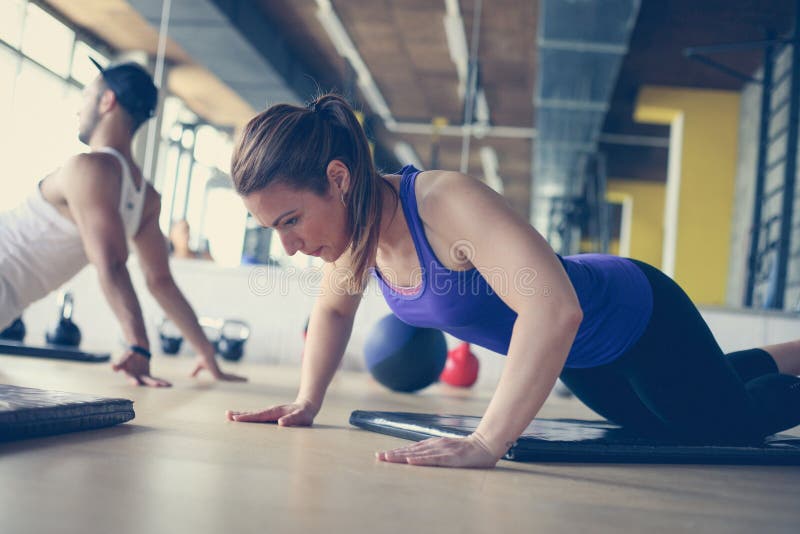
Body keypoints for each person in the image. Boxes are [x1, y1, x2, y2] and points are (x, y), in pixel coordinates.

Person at [224, 93, 800, 468]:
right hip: (582, 358)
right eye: (275, 228)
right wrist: (306, 400)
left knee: (722, 428)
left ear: (338, 177)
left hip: (637, 318)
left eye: (291, 220)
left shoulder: (444, 204)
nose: (290, 245)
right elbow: (332, 313)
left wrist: (486, 442)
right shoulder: (356, 241)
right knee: (660, 420)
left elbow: (554, 311)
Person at [0, 59, 245, 386]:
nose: (78, 109)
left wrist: (148, 347)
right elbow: (155, 280)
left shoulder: (93, 169)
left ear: (107, 101)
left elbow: (122, 266)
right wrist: (200, 351)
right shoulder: (145, 196)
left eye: (86, 95)